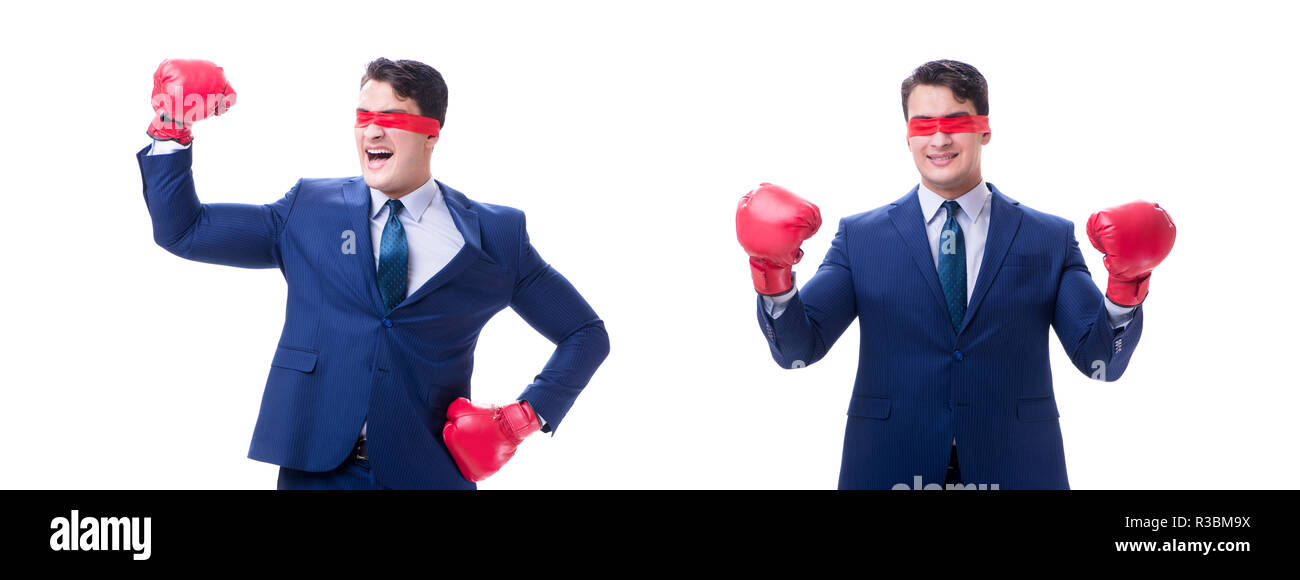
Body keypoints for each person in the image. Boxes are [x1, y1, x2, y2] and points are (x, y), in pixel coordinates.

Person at [137, 58, 609, 489]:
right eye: (363, 118)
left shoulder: (495, 235)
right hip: (315, 472)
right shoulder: (308, 210)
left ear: (432, 133)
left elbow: (585, 333)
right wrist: (170, 129)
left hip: (427, 473)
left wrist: (523, 417)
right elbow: (186, 231)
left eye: (391, 120)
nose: (372, 133)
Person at [735, 60, 1175, 489]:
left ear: (985, 129)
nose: (940, 137)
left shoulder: (1048, 238)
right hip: (889, 466)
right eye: (923, 124)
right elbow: (798, 348)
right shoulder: (860, 238)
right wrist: (771, 273)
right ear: (906, 136)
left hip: (1018, 468)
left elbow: (1101, 363)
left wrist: (1125, 288)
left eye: (955, 121)